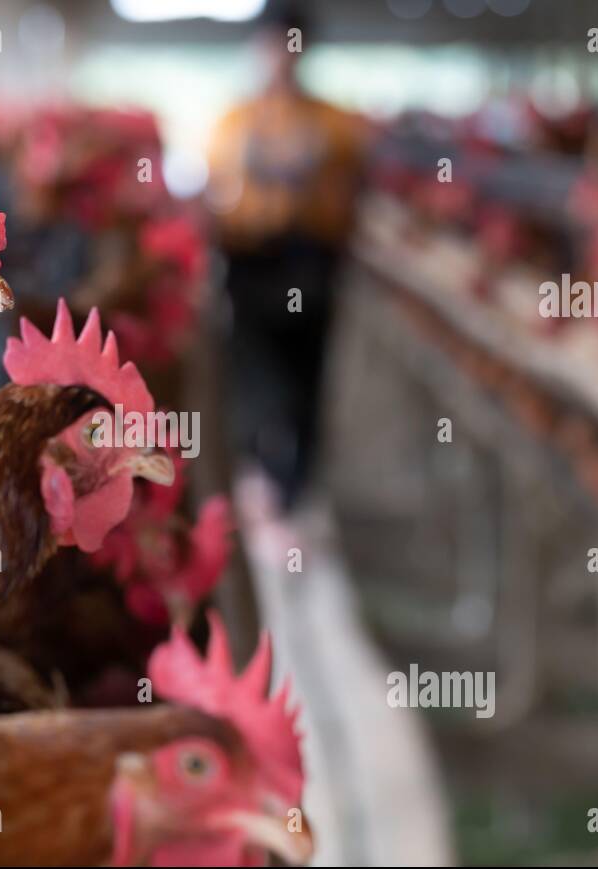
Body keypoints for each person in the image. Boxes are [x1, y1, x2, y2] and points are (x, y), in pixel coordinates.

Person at [207, 4, 365, 507]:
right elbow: (216, 189)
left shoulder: (336, 123)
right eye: (274, 44)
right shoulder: (234, 121)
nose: (282, 57)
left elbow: (354, 190)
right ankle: (261, 470)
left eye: (291, 45)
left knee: (306, 376)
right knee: (256, 371)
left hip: (311, 263)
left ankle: (295, 487)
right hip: (252, 262)